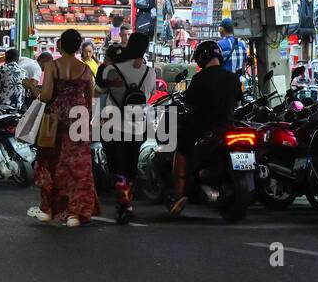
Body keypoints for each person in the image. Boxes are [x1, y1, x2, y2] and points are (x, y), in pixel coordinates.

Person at [29, 28, 98, 227]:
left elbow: (47, 95)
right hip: (79, 119)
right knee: (78, 167)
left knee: (51, 162)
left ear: (60, 45)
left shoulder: (52, 66)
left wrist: (33, 88)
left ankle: (48, 209)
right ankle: (75, 214)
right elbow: (89, 98)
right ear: (78, 47)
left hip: (56, 119)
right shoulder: (85, 69)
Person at [169, 40, 242, 215]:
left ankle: (178, 195)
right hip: (228, 126)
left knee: (181, 148)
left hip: (203, 127)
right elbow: (238, 102)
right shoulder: (233, 78)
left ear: (202, 58)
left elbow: (189, 103)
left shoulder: (199, 78)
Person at [99, 32, 152, 224]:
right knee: (130, 164)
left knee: (115, 164)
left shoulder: (112, 69)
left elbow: (101, 90)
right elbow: (149, 93)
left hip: (112, 122)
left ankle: (122, 200)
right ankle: (127, 203)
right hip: (138, 123)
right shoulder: (150, 72)